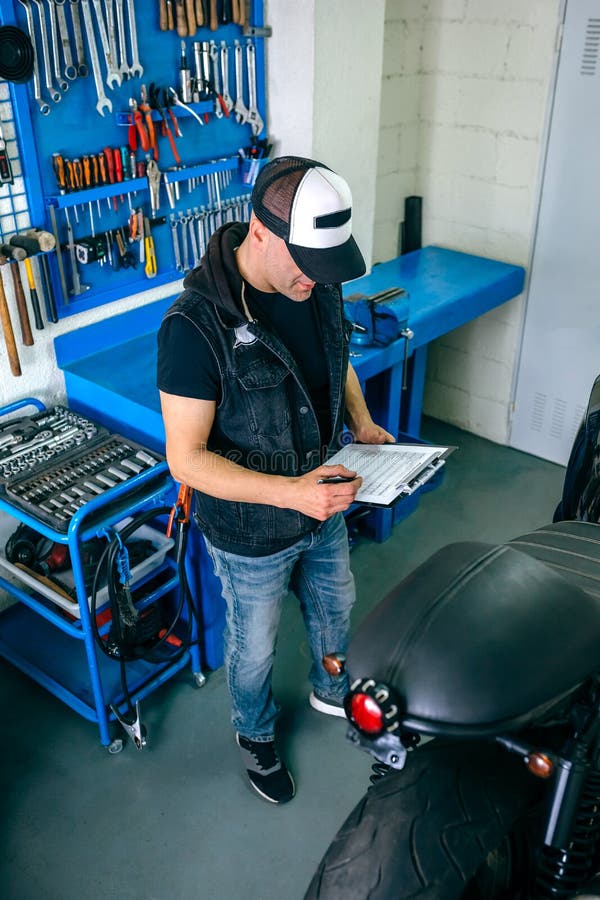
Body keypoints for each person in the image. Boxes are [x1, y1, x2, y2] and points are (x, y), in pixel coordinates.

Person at [157, 156, 394, 804]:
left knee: (336, 605)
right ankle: (254, 734)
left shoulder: (316, 281)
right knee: (254, 643)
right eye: (304, 266)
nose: (313, 282)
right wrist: (292, 493)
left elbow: (337, 352)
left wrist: (362, 419)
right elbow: (187, 459)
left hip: (324, 501)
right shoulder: (193, 327)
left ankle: (330, 690)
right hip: (249, 530)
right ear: (259, 233)